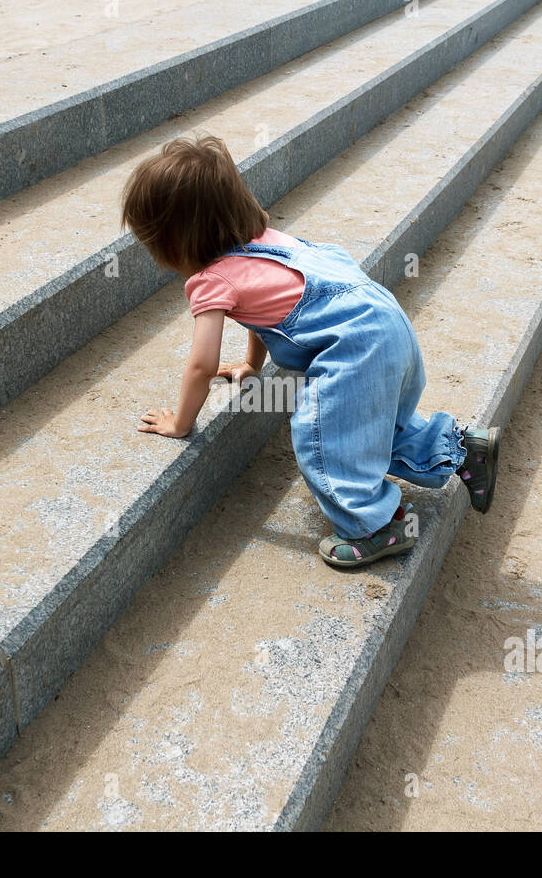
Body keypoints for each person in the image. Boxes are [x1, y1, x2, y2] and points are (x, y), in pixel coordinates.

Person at [122, 134, 499, 569]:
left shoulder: (211, 280)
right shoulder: (268, 241)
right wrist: (250, 365)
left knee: (327, 438)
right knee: (371, 426)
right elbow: (262, 316)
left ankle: (374, 528)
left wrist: (180, 423)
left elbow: (201, 363)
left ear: (173, 242)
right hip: (385, 322)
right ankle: (464, 449)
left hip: (357, 348)